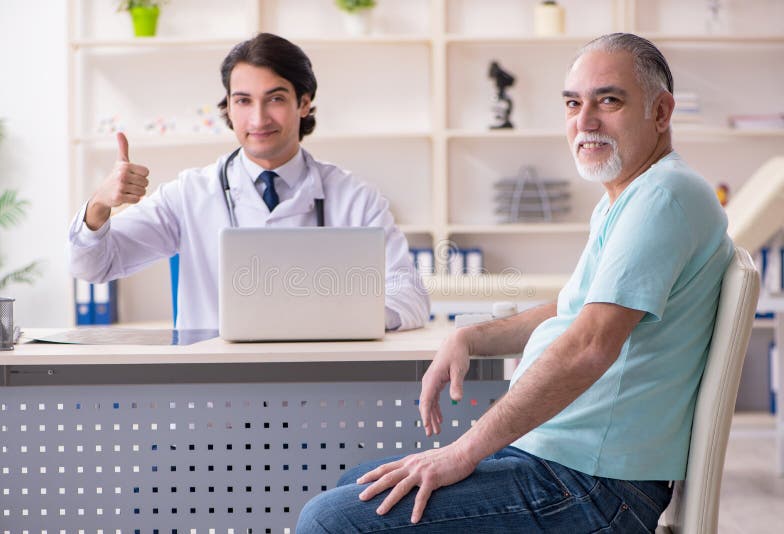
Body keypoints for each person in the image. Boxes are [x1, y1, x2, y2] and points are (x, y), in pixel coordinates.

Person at [296, 32, 734, 532]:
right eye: (573, 103)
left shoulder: (663, 198)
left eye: (608, 100)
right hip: (570, 463)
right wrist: (469, 336)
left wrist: (460, 453)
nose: (584, 121)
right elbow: (575, 310)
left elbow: (589, 345)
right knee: (354, 488)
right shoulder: (630, 196)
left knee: (332, 521)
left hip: (594, 486)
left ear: (660, 112)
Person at [68, 33, 429, 331]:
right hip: (216, 396)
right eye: (243, 101)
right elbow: (93, 266)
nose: (258, 118)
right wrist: (99, 206)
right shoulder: (190, 194)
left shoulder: (355, 198)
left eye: (275, 98)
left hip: (320, 391)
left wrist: (343, 318)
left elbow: (409, 297)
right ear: (228, 106)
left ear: (303, 103)